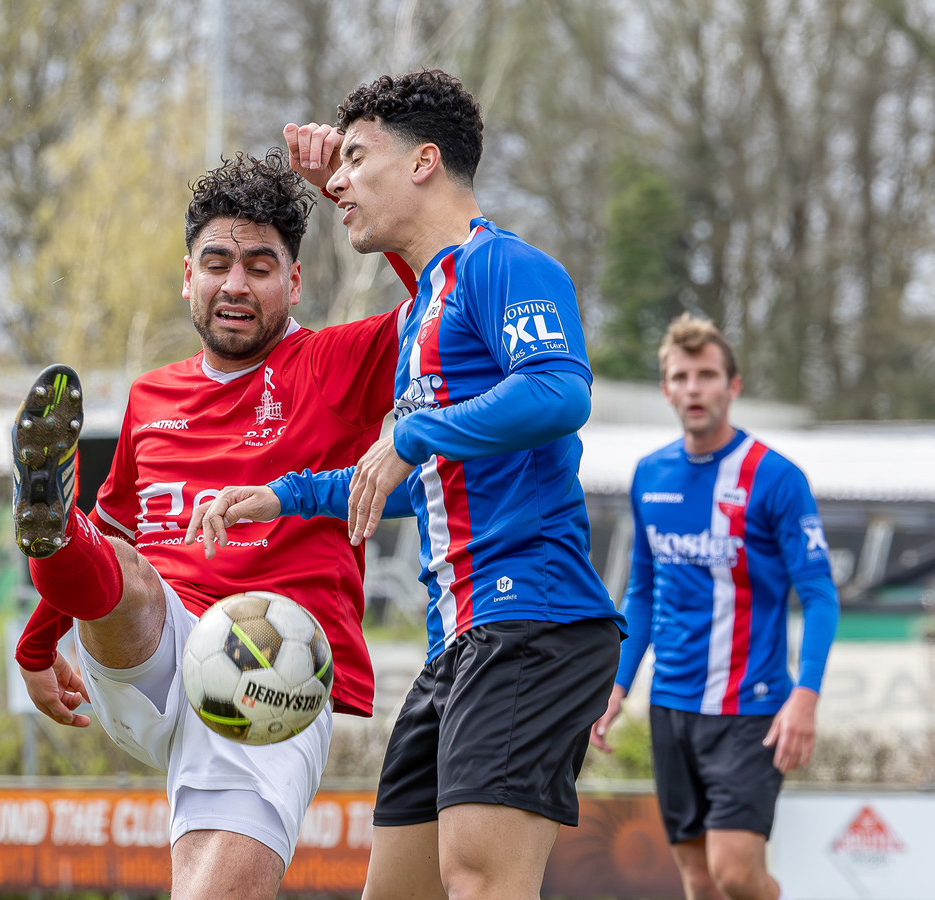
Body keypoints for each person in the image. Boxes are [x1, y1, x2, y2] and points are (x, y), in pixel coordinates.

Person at [189, 69, 626, 900]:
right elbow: (405, 477)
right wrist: (283, 496)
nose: (339, 180)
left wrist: (413, 432)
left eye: (357, 158)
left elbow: (560, 391)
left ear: (425, 162)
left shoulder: (506, 264)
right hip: (457, 639)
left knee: (479, 882)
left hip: (529, 620)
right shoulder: (423, 307)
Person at [10, 149, 414, 900]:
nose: (236, 283)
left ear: (294, 281)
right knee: (120, 565)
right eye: (217, 261)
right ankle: (50, 524)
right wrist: (36, 647)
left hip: (272, 672)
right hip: (152, 650)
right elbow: (117, 525)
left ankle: (55, 529)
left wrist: (358, 194)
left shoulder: (335, 363)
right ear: (186, 276)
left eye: (260, 266)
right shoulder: (149, 398)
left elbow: (449, 305)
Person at [588, 313, 838, 900]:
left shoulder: (775, 478)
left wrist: (806, 695)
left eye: (707, 374)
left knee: (735, 874)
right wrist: (619, 685)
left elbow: (821, 597)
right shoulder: (650, 476)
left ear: (734, 386)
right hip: (671, 707)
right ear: (666, 390)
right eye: (682, 376)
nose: (694, 387)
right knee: (699, 882)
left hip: (751, 709)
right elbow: (643, 593)